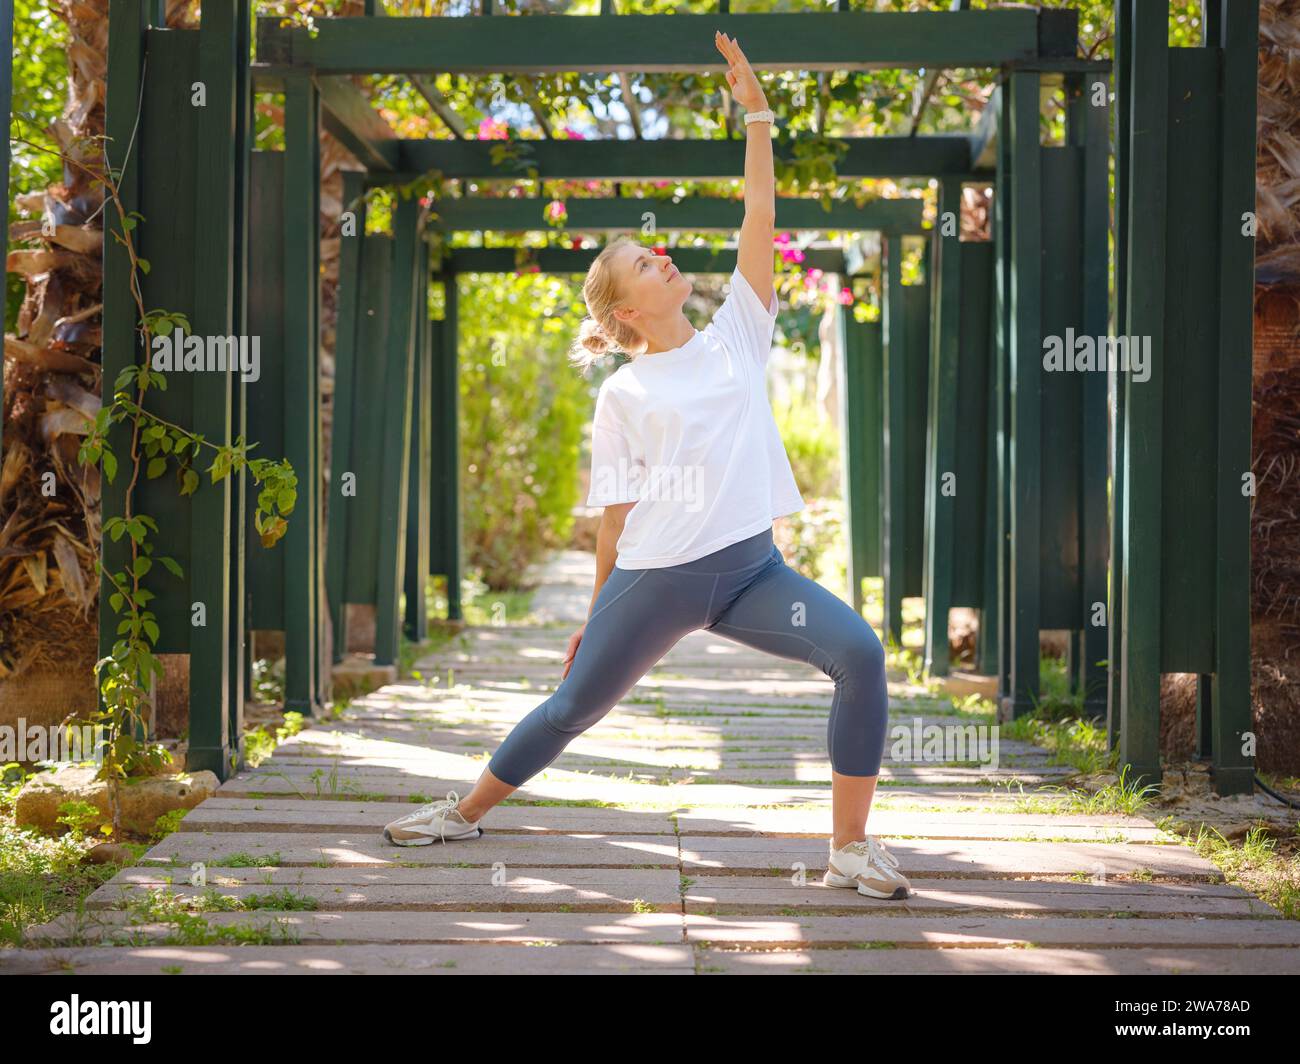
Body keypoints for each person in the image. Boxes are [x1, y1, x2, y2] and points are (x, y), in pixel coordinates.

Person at [383, 32, 908, 901]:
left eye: (655, 253)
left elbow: (758, 219)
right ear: (627, 307)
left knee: (860, 654)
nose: (662, 257)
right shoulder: (623, 394)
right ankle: (464, 810)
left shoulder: (740, 330)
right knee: (571, 710)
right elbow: (615, 520)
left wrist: (759, 117)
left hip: (751, 572)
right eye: (643, 263)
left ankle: (848, 847)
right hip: (656, 579)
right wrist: (597, 613)